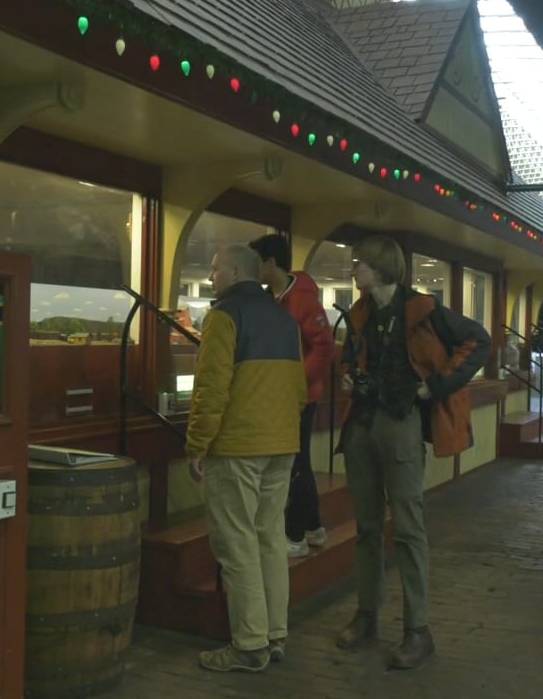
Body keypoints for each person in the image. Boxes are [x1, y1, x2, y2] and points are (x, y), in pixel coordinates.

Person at [334, 235, 490, 670]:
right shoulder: (362, 313)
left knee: (407, 528)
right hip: (363, 424)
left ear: (381, 267)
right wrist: (349, 376)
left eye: (359, 262)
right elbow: (348, 358)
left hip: (400, 422)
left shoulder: (423, 309)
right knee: (365, 527)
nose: (354, 268)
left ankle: (417, 630)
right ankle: (368, 616)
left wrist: (435, 386)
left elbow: (478, 341)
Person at [185, 244, 307, 672]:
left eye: (215, 269)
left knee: (236, 545)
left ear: (235, 271)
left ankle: (249, 646)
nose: (212, 275)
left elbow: (212, 388)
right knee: (270, 540)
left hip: (237, 447)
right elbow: (299, 390)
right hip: (282, 444)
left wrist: (198, 444)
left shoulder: (223, 316)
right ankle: (274, 635)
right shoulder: (285, 318)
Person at [248, 233, 336, 558]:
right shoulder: (272, 298)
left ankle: (295, 535)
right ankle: (314, 527)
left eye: (255, 262)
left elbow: (324, 347)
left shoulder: (302, 299)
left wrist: (295, 383)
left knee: (294, 465)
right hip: (280, 397)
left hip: (300, 398)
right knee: (301, 462)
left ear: (271, 263)